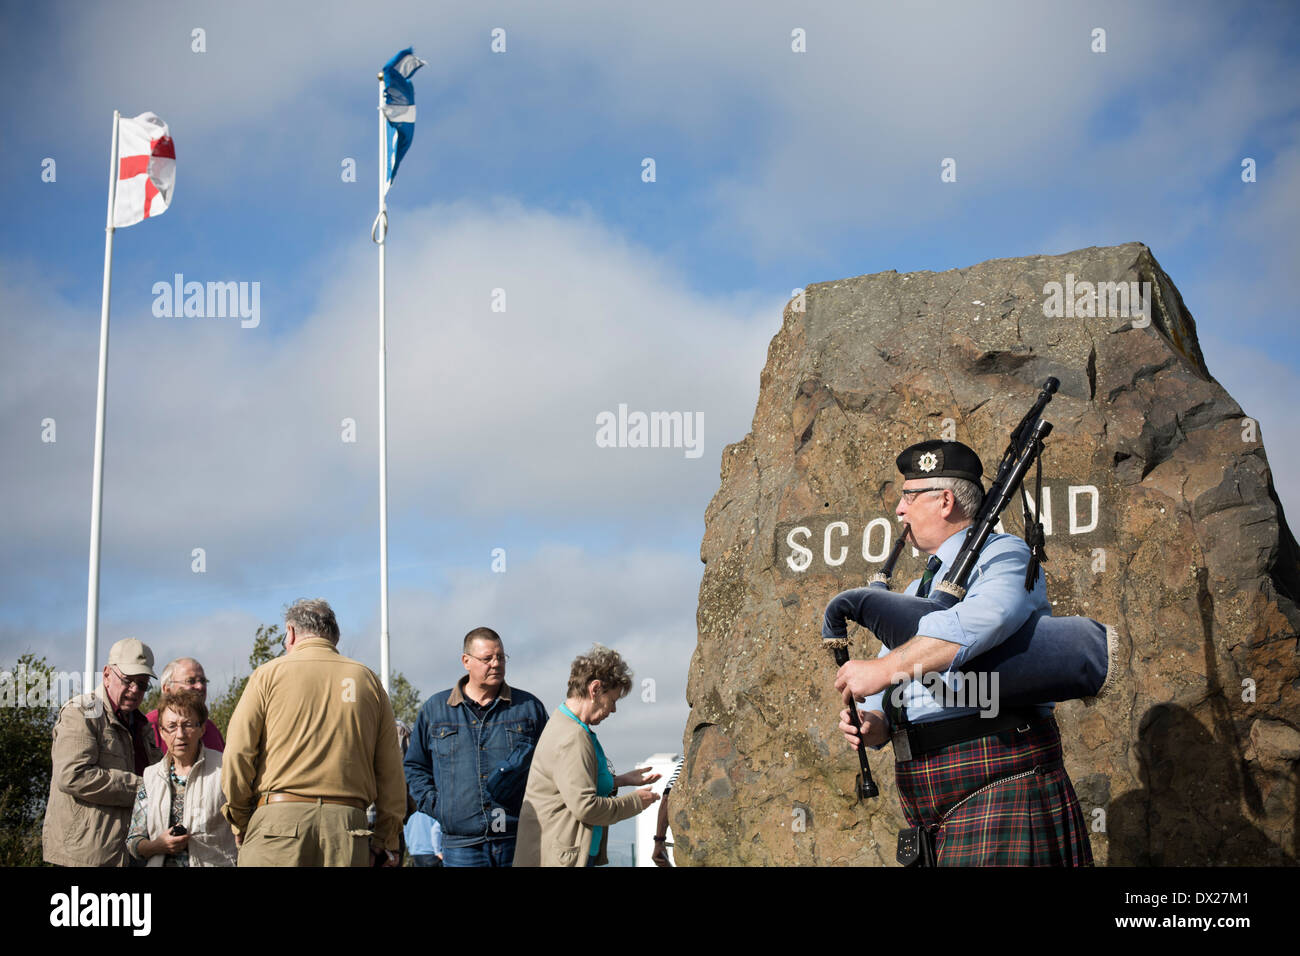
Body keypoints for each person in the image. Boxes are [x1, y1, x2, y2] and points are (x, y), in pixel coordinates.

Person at [835, 439, 1093, 866]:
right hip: (929, 793)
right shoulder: (920, 588)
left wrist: (884, 670)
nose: (899, 510)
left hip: (1001, 773)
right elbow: (897, 668)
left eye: (908, 495)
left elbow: (975, 624)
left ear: (945, 501)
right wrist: (875, 722)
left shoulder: (1003, 555)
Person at [221, 599, 406, 867]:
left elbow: (238, 754)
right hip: (348, 831)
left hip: (276, 825)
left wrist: (240, 819)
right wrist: (385, 840)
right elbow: (391, 772)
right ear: (334, 637)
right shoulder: (367, 680)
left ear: (291, 632)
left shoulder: (267, 675)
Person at [404, 627, 546, 867]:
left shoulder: (529, 708)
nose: (496, 664)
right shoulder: (435, 710)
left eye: (501, 657)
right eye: (487, 658)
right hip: (461, 844)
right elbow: (415, 766)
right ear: (466, 661)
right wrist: (440, 808)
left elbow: (550, 765)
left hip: (517, 837)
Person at [515, 644, 660, 867]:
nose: (613, 710)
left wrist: (622, 780)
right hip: (560, 859)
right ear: (595, 690)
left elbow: (573, 784)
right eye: (612, 700)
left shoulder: (568, 723)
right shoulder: (572, 737)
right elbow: (585, 807)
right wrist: (636, 802)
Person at [42, 638, 163, 867]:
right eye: (128, 680)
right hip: (85, 857)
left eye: (143, 683)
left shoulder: (142, 725)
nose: (135, 690)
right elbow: (73, 776)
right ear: (107, 674)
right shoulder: (81, 712)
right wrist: (144, 788)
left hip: (132, 853)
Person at [127, 689, 237, 866]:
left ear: (202, 728)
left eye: (187, 725)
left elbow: (246, 826)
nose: (179, 734)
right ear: (162, 732)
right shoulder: (150, 777)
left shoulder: (225, 768)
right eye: (171, 727)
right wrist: (156, 846)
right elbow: (133, 840)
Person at [146, 657, 224, 753]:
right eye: (190, 681)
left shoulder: (210, 728)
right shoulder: (150, 725)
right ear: (167, 689)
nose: (200, 686)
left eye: (203, 681)